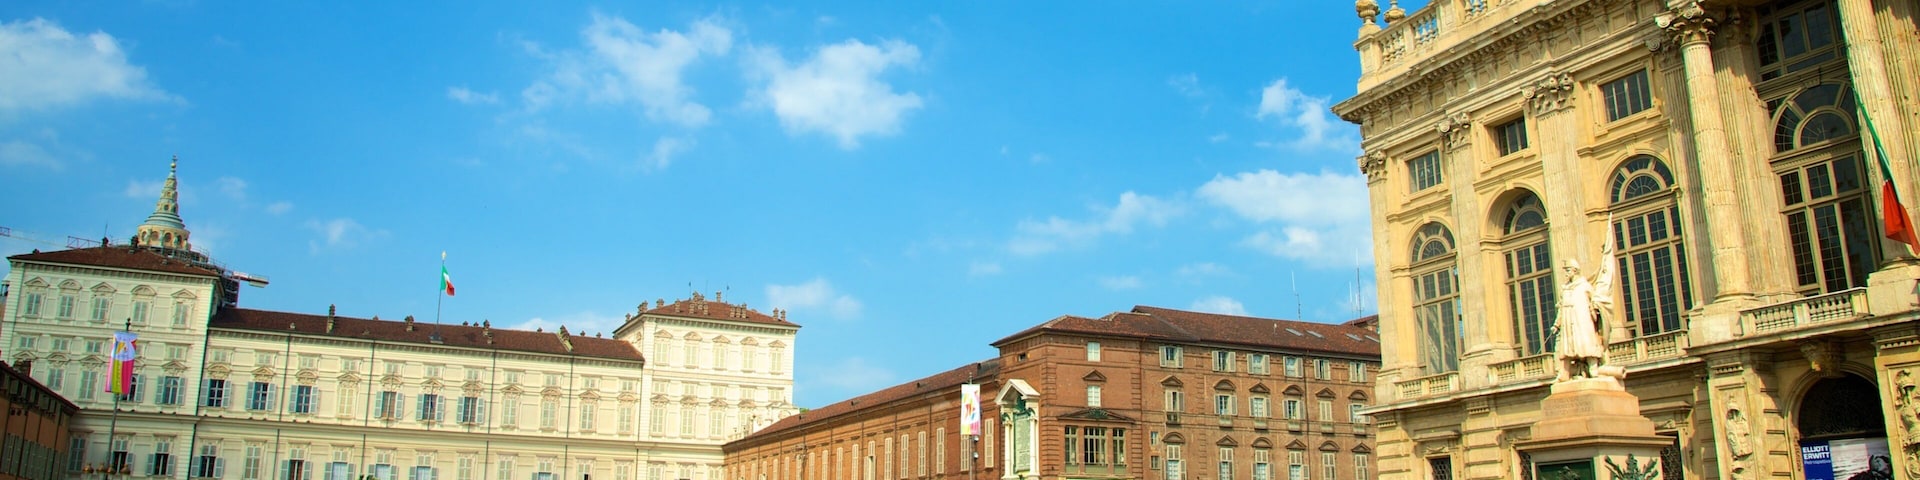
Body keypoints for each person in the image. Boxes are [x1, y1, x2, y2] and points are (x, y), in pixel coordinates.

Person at [1556, 241, 1613, 380]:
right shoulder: (1565, 289)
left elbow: (1595, 300)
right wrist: (1557, 324)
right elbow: (1562, 309)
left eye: (1568, 270)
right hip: (1569, 323)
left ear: (1574, 271)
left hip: (1583, 322)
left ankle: (1593, 369)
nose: (1566, 273)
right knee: (1570, 348)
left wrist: (1595, 309)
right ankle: (1568, 372)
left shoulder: (1584, 286)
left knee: (1587, 344)